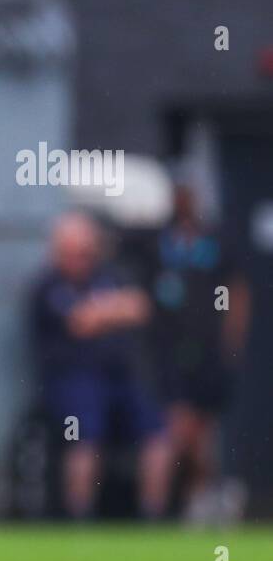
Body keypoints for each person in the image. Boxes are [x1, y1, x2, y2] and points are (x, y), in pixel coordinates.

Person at [30, 211, 171, 518]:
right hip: (73, 380)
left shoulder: (108, 275)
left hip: (119, 377)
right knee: (85, 435)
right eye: (73, 252)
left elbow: (140, 306)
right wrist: (112, 309)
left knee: (157, 431)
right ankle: (80, 516)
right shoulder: (48, 285)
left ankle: (153, 516)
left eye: (85, 251)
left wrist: (103, 310)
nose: (81, 258)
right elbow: (81, 321)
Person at [149, 185, 248, 516]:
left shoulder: (216, 243)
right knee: (179, 426)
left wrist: (230, 341)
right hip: (172, 352)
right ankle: (185, 500)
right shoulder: (161, 243)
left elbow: (237, 293)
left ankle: (202, 496)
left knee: (202, 432)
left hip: (208, 352)